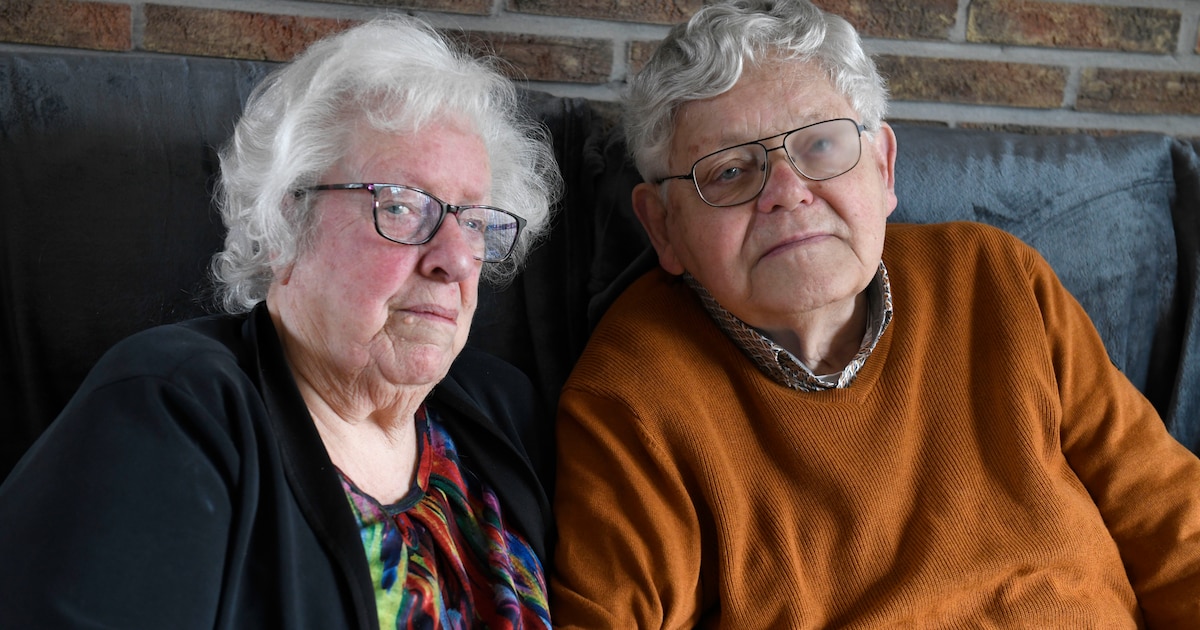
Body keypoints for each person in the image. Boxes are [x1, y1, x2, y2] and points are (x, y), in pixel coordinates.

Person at [549, 0, 1200, 626]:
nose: (787, 193)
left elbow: (1173, 522)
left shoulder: (997, 278)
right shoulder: (630, 394)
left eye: (820, 145)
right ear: (663, 227)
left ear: (884, 167)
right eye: (729, 172)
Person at [0, 16, 561, 629]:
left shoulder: (502, 409)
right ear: (285, 227)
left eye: (474, 221)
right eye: (401, 206)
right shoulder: (169, 412)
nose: (455, 259)